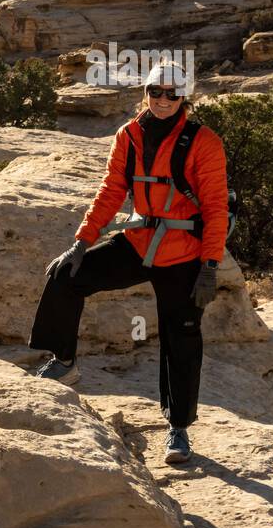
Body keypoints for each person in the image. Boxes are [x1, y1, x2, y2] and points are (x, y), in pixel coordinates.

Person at [28, 61, 229, 464]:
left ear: (184, 96)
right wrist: (82, 242)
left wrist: (209, 266)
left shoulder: (203, 142)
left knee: (181, 338)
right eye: (156, 92)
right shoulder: (130, 135)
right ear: (146, 92)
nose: (163, 101)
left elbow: (215, 206)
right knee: (67, 275)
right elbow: (111, 190)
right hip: (139, 242)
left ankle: (179, 429)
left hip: (183, 253)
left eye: (172, 94)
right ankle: (63, 361)